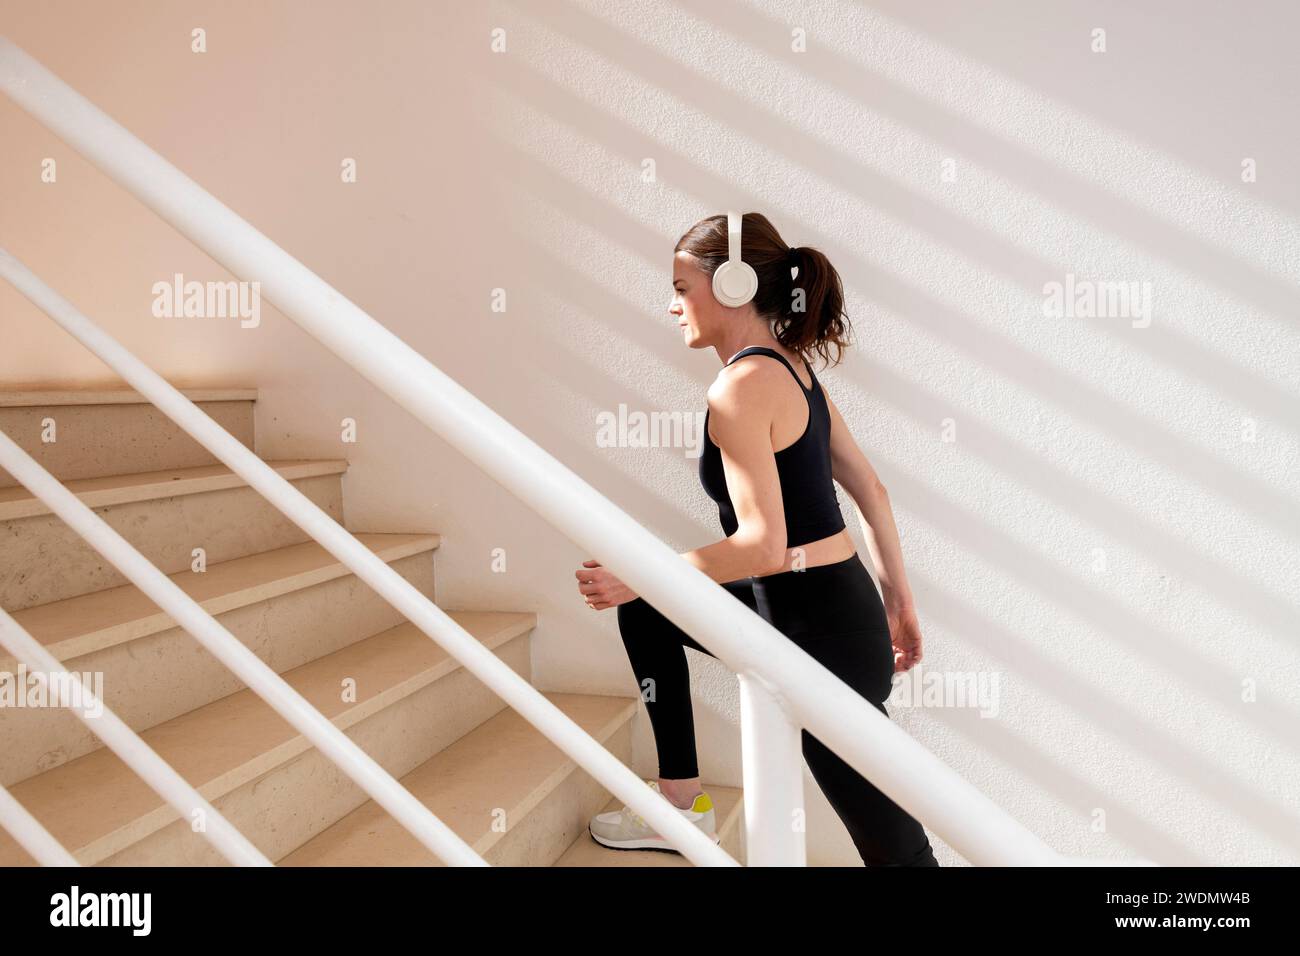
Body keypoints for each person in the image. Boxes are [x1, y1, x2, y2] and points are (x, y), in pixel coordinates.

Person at [575, 211, 938, 866]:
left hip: (816, 632)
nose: (672, 305)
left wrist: (643, 570)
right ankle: (682, 809)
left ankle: (683, 810)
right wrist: (899, 604)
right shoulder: (792, 371)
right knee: (648, 614)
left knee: (894, 849)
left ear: (734, 286)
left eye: (683, 289)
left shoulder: (739, 389)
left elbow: (764, 546)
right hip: (836, 610)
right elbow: (872, 492)